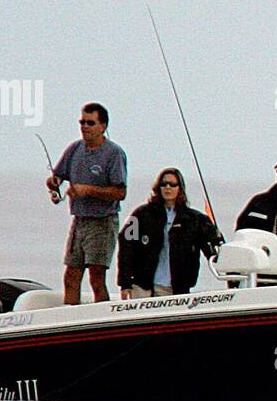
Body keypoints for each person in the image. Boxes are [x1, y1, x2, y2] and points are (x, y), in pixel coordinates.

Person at [46, 103, 127, 304]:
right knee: (71, 275)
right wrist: (54, 184)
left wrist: (88, 190)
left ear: (103, 126)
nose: (85, 127)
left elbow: (120, 192)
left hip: (102, 221)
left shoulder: (113, 153)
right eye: (82, 122)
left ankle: (103, 320)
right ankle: (69, 319)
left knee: (96, 277)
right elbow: (57, 176)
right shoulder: (75, 149)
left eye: (90, 123)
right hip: (79, 220)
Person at [116, 168, 221, 298]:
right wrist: (125, 283)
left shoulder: (195, 219)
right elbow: (126, 249)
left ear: (180, 188)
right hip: (144, 286)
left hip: (178, 289)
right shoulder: (141, 215)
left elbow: (214, 250)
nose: (168, 187)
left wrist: (230, 273)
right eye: (163, 184)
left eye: (173, 184)